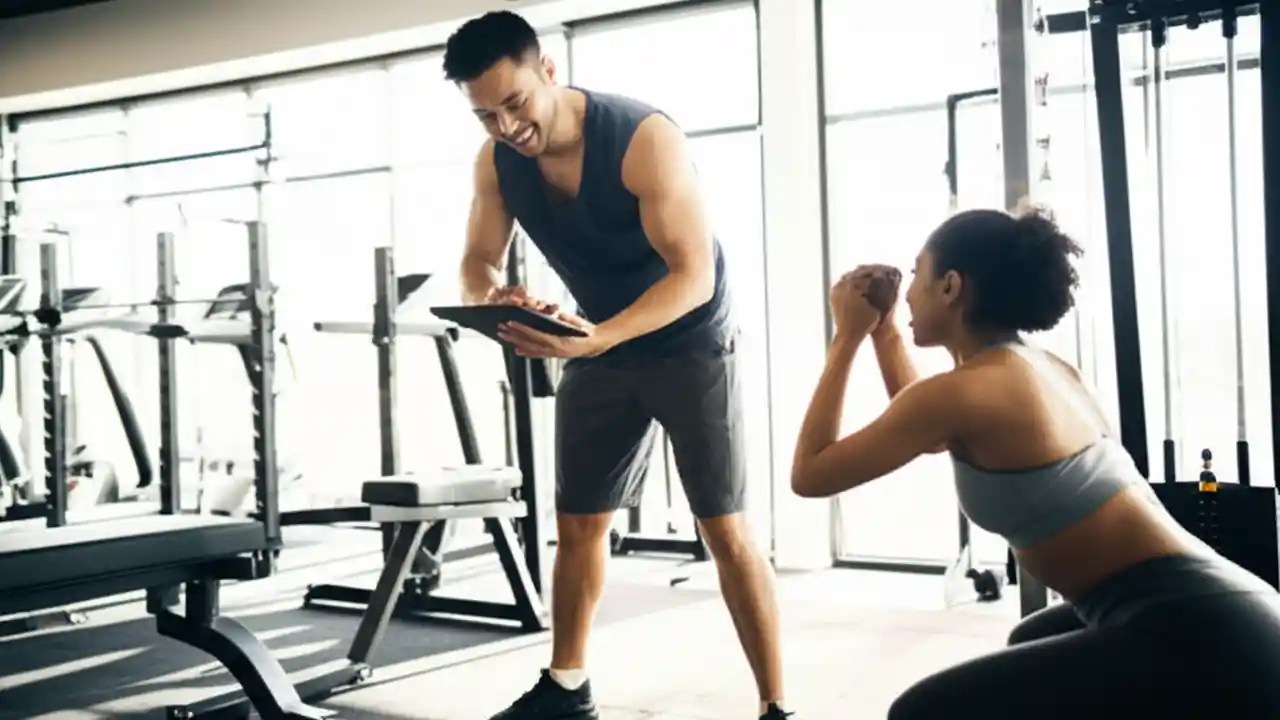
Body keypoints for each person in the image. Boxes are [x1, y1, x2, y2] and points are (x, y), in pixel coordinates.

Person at [792, 204, 1280, 719]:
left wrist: (845, 336)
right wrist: (885, 332)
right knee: (1031, 635)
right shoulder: (1042, 368)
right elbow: (931, 429)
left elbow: (811, 473)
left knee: (924, 712)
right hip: (1225, 613)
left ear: (951, 286)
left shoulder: (967, 392)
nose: (909, 291)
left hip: (1201, 632)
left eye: (918, 274)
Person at [443, 11, 792, 720]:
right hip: (594, 340)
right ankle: (568, 688)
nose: (506, 127)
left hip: (690, 339)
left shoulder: (643, 138)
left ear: (548, 71)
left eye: (515, 105)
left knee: (723, 529)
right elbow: (476, 261)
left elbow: (691, 275)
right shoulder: (498, 162)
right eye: (487, 116)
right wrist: (493, 295)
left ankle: (775, 705)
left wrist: (600, 337)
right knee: (578, 522)